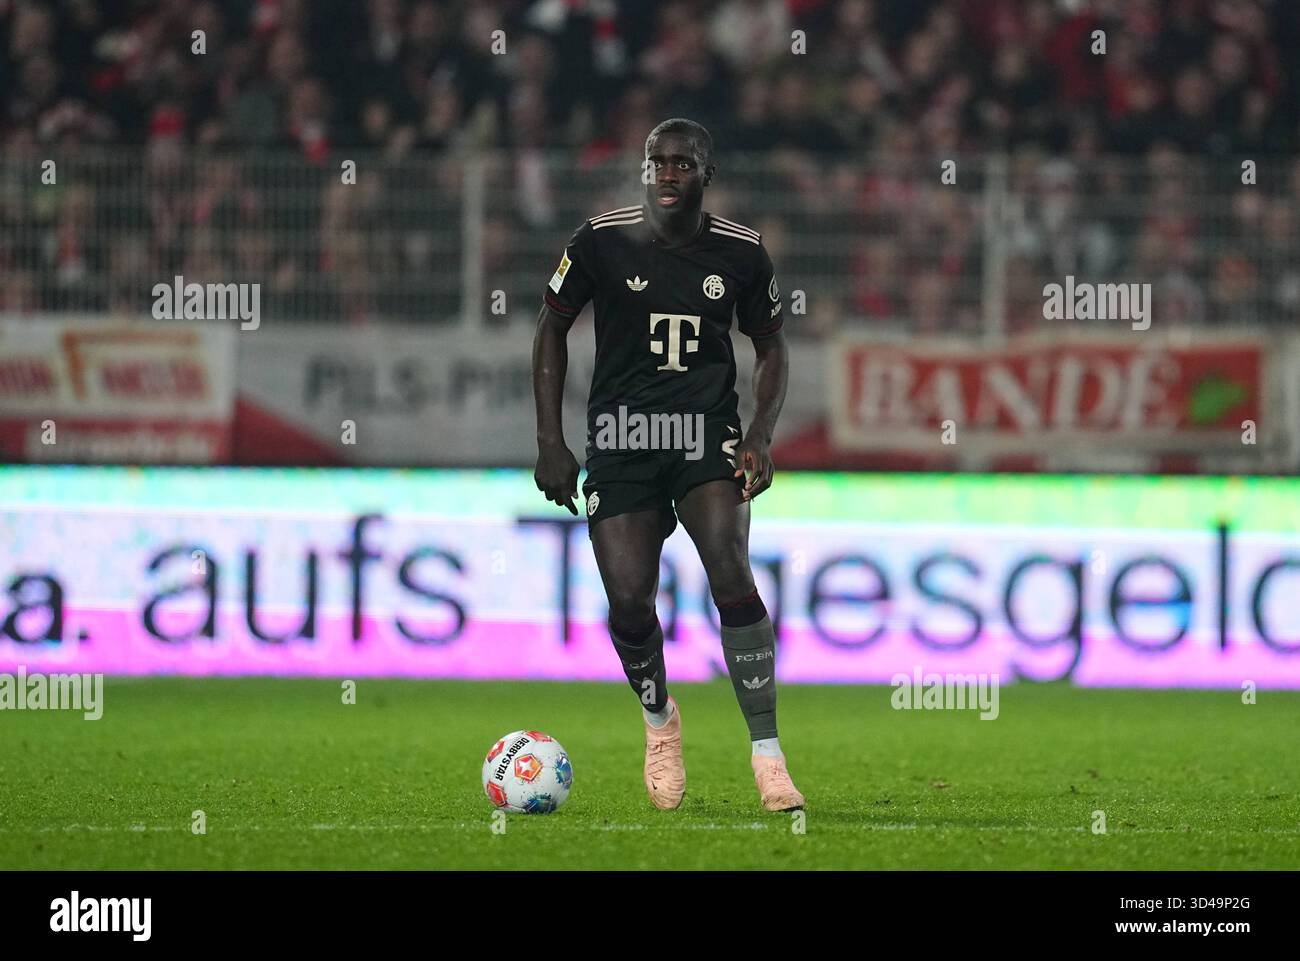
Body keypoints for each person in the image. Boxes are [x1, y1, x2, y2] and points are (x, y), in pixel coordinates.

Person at [531, 117, 802, 812]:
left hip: (704, 433)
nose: (670, 173)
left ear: (706, 174)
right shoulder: (600, 240)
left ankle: (768, 754)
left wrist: (760, 434)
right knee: (627, 598)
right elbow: (551, 326)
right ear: (643, 169)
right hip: (621, 438)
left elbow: (772, 348)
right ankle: (660, 721)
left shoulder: (742, 253)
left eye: (684, 163)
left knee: (730, 565)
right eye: (659, 162)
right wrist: (550, 441)